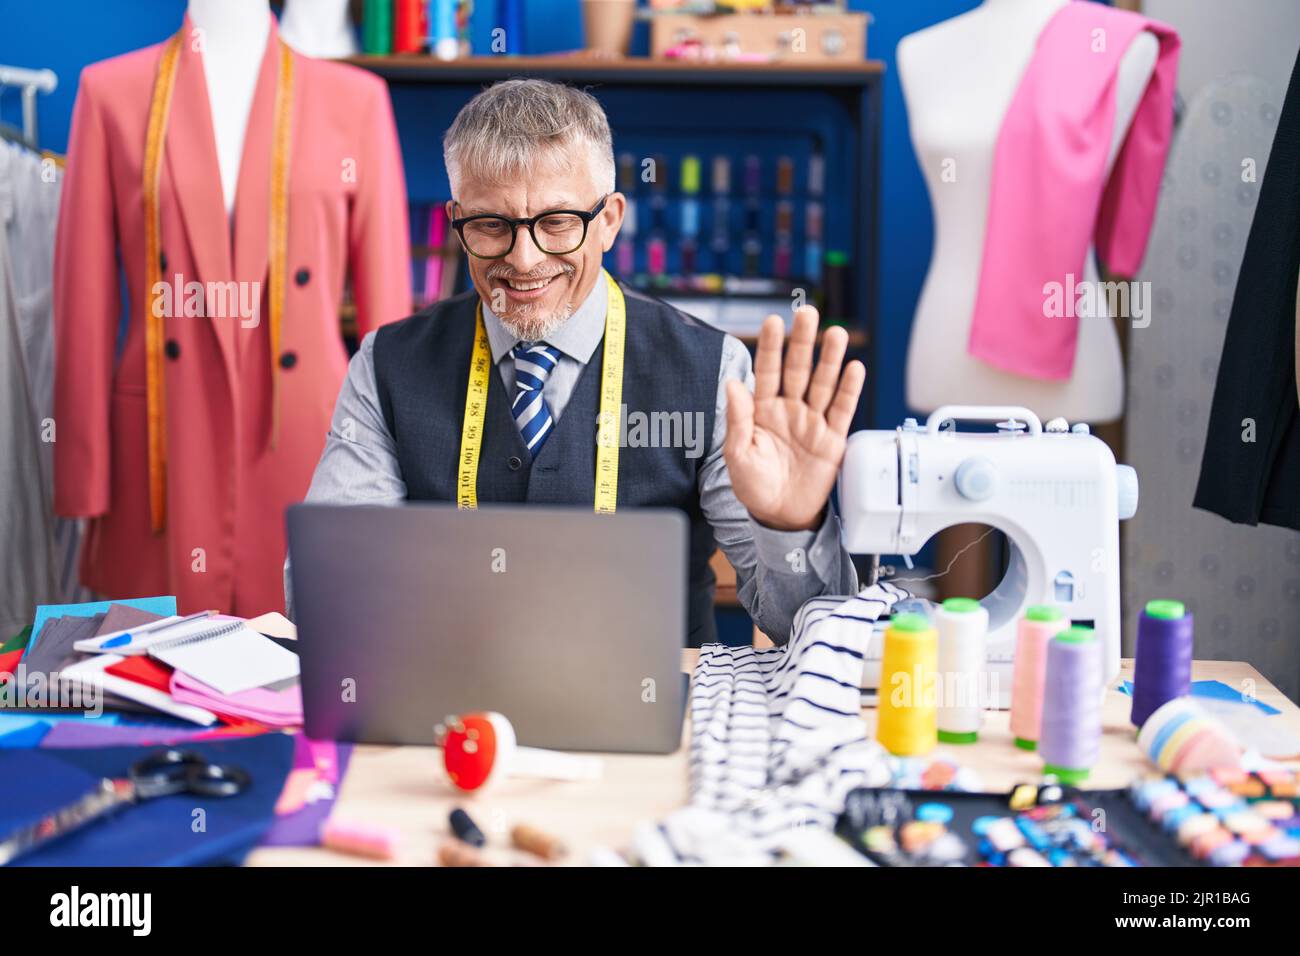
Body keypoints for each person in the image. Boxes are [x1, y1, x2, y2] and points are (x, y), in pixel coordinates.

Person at [292, 78, 866, 646]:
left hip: (651, 717)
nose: (524, 259)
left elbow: (807, 631)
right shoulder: (387, 365)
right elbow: (326, 596)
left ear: (610, 219)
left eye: (557, 222)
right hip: (448, 713)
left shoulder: (712, 373)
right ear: (456, 223)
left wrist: (791, 529)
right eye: (491, 225)